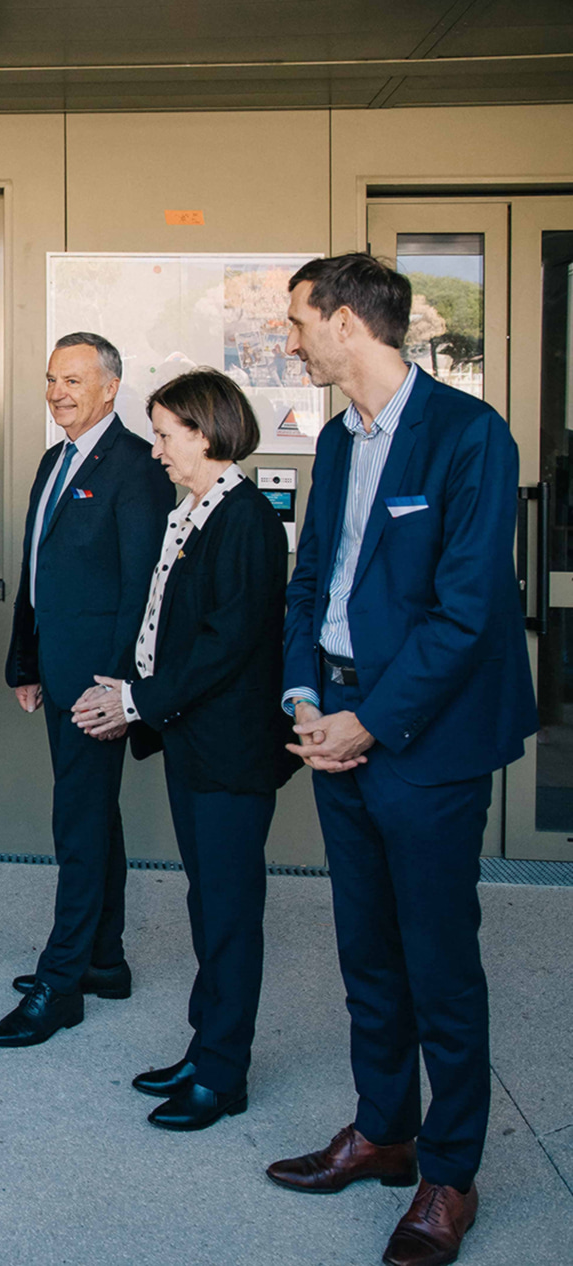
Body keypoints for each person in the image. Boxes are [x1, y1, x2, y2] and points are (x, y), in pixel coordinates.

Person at [265, 254, 534, 1266]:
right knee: (366, 954)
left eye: (298, 322)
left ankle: (447, 1176)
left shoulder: (469, 437)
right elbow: (308, 586)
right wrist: (304, 695)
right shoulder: (336, 442)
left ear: (345, 322)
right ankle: (383, 1132)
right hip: (333, 726)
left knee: (437, 965)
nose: (289, 340)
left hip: (420, 742)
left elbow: (468, 612)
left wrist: (367, 721)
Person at [69, 369, 296, 1131]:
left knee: (230, 912)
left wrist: (135, 701)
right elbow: (166, 625)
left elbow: (224, 646)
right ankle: (206, 1049)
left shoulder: (247, 521)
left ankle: (223, 1075)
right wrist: (130, 679)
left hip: (231, 750)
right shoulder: (190, 510)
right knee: (208, 902)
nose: (157, 449)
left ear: (205, 433)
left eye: (166, 433)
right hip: (193, 740)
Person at [0, 331, 169, 1048]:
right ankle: (104, 960)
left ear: (109, 389)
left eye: (73, 380)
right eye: (51, 378)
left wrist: (125, 689)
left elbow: (142, 589)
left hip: (99, 685)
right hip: (58, 674)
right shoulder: (54, 460)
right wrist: (24, 661)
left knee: (79, 824)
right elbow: (38, 571)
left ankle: (60, 984)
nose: (58, 392)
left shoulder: (136, 467)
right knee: (95, 817)